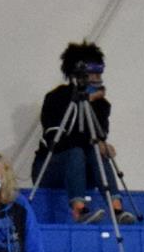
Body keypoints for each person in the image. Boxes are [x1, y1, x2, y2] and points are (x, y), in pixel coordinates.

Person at [32, 40, 122, 223]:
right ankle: (79, 210)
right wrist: (86, 100)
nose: (97, 77)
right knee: (76, 152)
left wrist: (103, 146)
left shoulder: (102, 105)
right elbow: (55, 139)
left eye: (99, 71)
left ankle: (116, 208)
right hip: (51, 167)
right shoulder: (57, 97)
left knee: (96, 152)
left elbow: (99, 137)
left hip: (83, 173)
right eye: (92, 71)